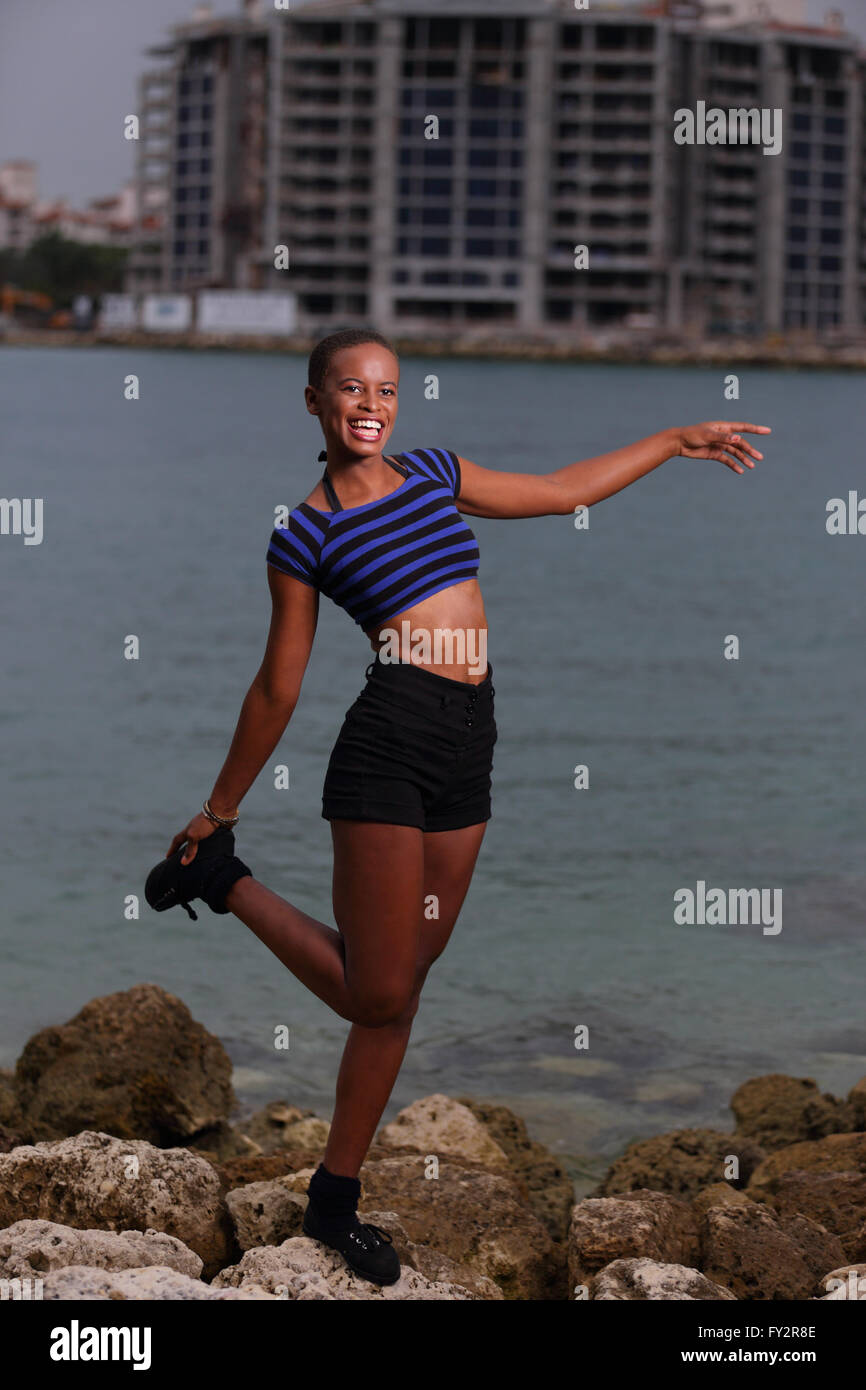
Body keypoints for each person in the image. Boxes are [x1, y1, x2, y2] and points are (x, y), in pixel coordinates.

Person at [145, 327, 770, 1286]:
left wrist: (673, 439)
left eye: (387, 388)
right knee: (378, 991)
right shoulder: (303, 533)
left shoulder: (433, 474)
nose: (371, 402)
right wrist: (218, 809)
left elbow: (562, 492)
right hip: (386, 743)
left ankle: (332, 1197)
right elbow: (278, 685)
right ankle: (221, 878)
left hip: (470, 735)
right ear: (313, 401)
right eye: (350, 388)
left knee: (405, 978)